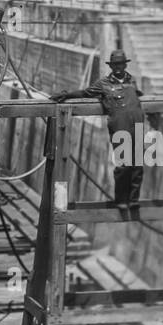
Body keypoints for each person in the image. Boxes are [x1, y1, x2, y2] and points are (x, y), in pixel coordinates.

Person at [52, 50, 146, 208]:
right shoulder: (103, 84)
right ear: (111, 66)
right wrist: (67, 95)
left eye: (120, 64)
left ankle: (134, 199)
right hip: (119, 127)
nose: (118, 67)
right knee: (124, 165)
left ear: (125, 65)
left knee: (137, 164)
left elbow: (138, 97)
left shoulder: (132, 81)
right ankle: (122, 200)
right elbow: (85, 92)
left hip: (136, 125)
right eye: (115, 64)